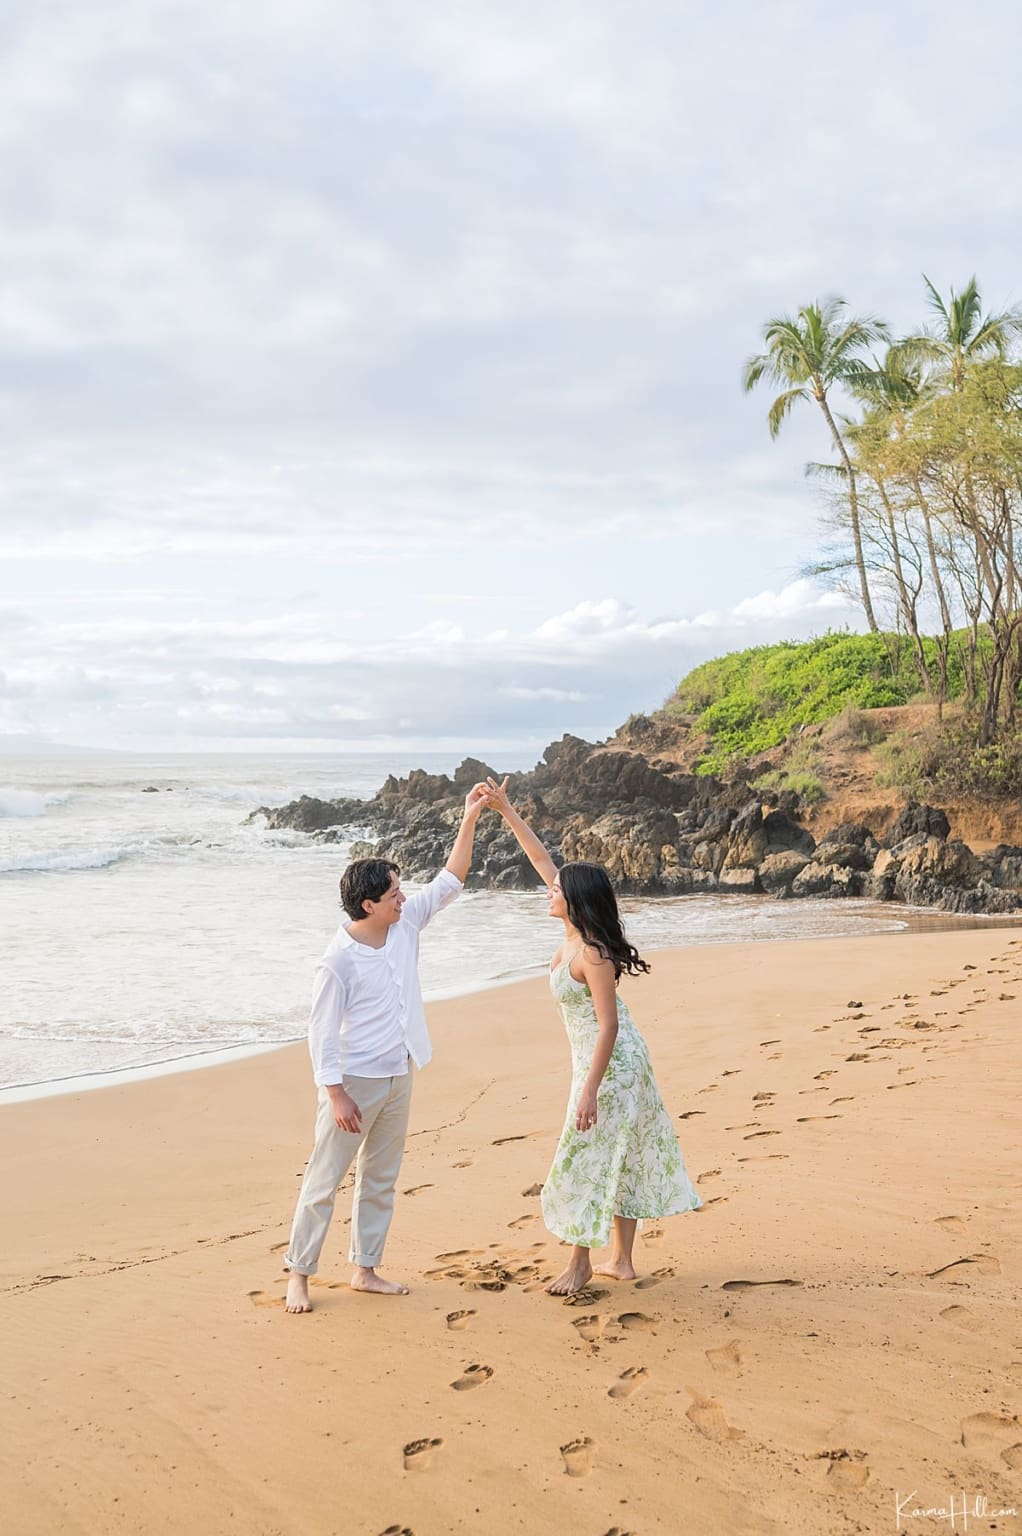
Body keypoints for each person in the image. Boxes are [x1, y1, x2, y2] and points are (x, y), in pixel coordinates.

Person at [482, 775, 702, 1295]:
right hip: (599, 1062)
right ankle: (622, 1261)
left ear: (576, 900)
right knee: (618, 1152)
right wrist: (506, 810)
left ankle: (580, 1262)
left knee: (587, 1154)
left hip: (613, 1065)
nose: (550, 889)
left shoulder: (593, 954)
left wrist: (588, 1090)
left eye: (558, 889)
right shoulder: (572, 936)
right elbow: (542, 859)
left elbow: (610, 1025)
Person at [283, 782, 488, 1313]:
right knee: (324, 1181)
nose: (404, 896)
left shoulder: (404, 926)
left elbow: (451, 880)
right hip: (353, 1083)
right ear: (368, 904)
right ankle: (299, 1275)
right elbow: (321, 1032)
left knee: (380, 1180)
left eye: (401, 890)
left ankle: (364, 1269)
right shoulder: (337, 962)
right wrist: (335, 1094)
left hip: (401, 1072)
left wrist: (468, 817)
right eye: (394, 893)